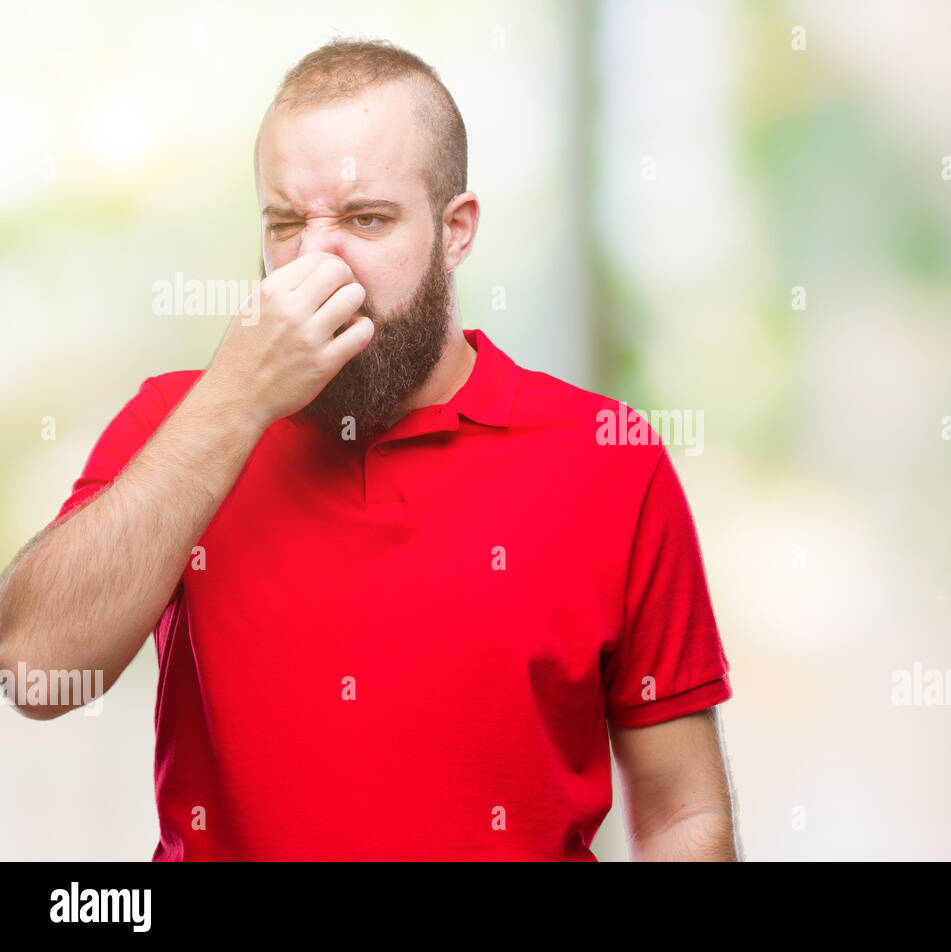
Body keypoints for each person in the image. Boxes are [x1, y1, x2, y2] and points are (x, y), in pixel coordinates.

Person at [0, 38, 738, 861]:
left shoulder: (610, 458)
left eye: (365, 220)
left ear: (456, 232)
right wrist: (237, 400)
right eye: (286, 225)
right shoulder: (181, 423)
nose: (317, 263)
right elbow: (31, 671)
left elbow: (683, 816)